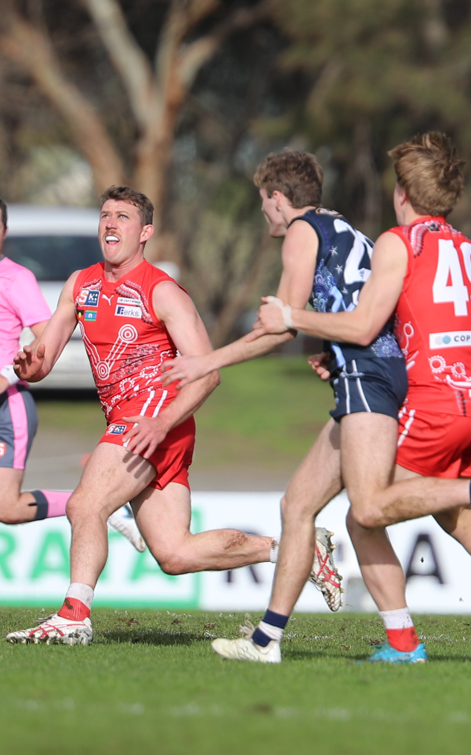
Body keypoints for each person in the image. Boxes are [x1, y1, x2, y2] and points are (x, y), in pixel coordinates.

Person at [254, 132, 471, 659]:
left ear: (402, 193)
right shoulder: (470, 248)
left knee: (366, 511)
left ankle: (404, 639)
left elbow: (367, 323)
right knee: (440, 507)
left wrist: (293, 318)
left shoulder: (400, 242)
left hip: (436, 399)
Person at [3, 187, 294, 645]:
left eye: (122, 216)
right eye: (104, 215)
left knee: (85, 505)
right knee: (175, 553)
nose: (110, 224)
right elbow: (44, 361)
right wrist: (29, 366)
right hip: (139, 424)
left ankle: (74, 616)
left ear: (145, 233)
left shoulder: (161, 290)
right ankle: (292, 550)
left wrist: (161, 423)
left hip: (153, 419)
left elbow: (207, 373)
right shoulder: (80, 284)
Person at [156, 150, 391, 663]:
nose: (263, 212)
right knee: (302, 507)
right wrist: (333, 352)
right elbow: (354, 303)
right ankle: (269, 640)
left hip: (372, 384)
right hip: (377, 374)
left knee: (377, 509)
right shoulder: (344, 228)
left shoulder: (303, 231)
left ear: (279, 199)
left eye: (263, 201)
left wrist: (205, 362)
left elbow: (280, 324)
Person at [0, 191, 145, 610]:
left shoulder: (16, 278)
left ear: (4, 233)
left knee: (5, 508)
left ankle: (105, 511)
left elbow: (44, 339)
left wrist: (4, 378)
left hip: (5, 408)